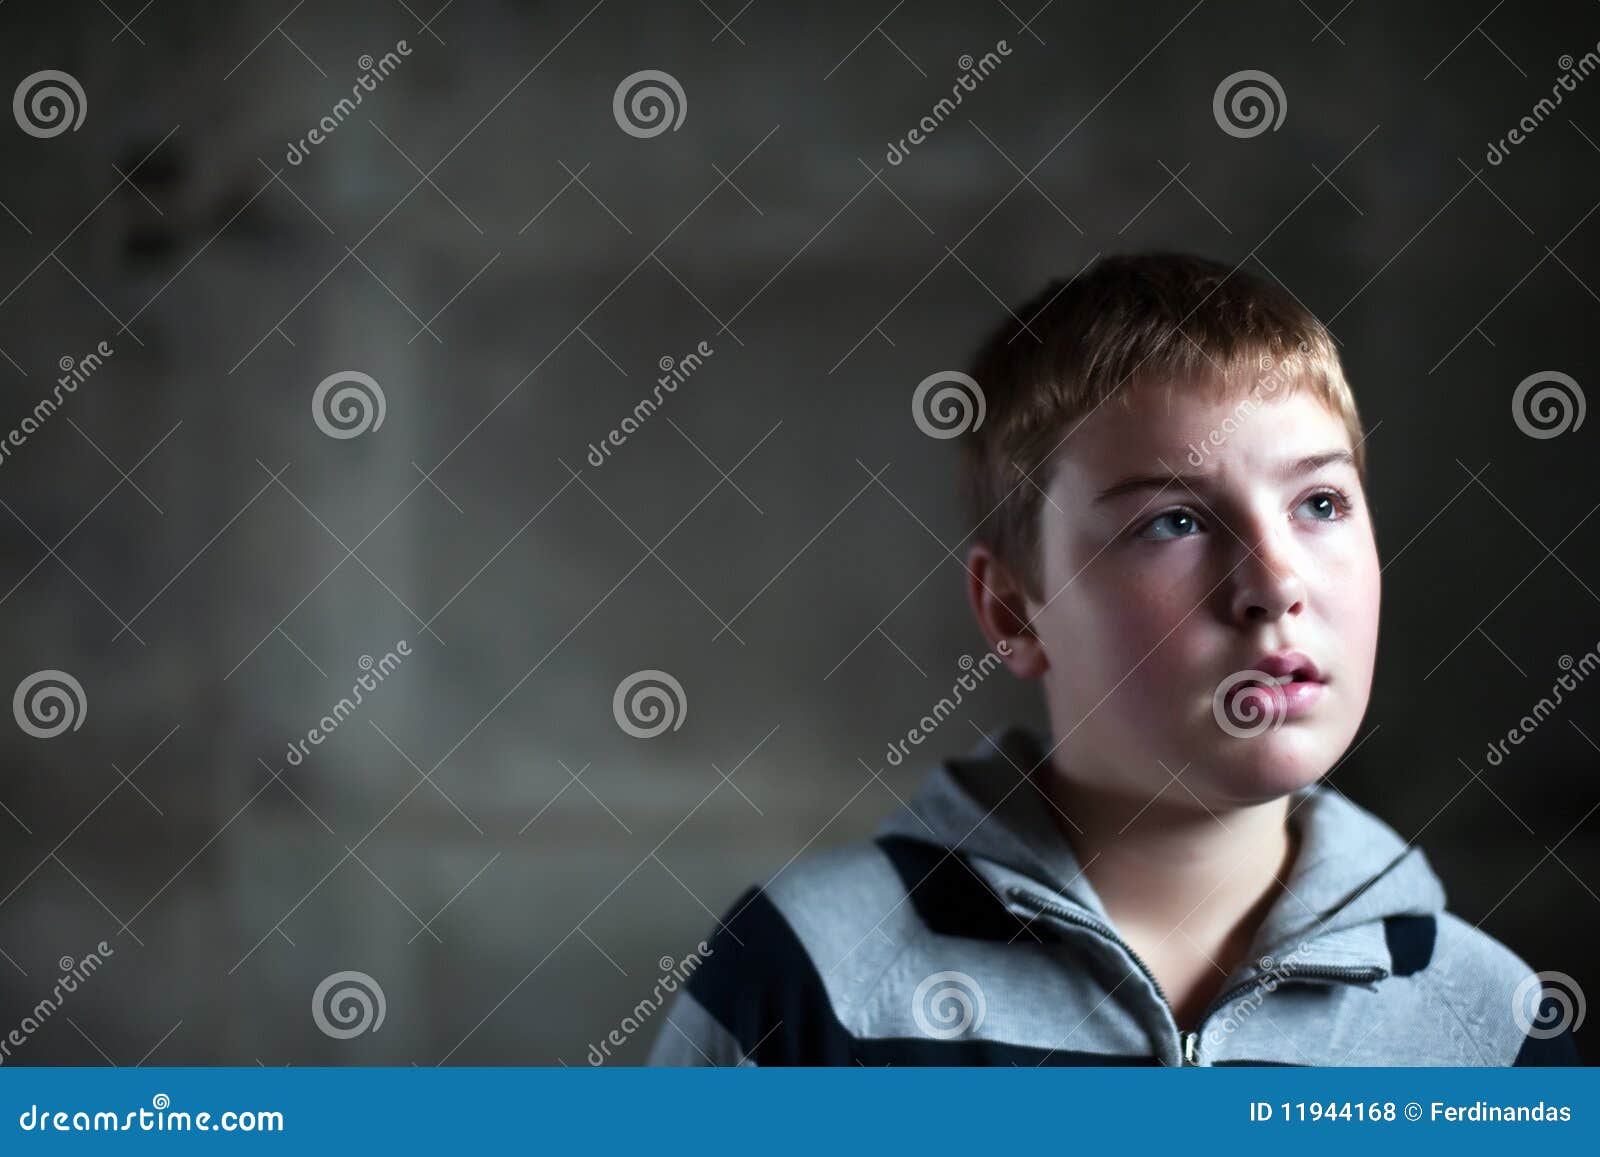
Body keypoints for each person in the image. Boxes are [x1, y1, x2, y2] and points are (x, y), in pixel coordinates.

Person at [646, 252, 1582, 1066]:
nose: (1274, 583)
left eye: (1321, 503)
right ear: (1013, 608)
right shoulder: (806, 976)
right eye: (1172, 522)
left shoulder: (1487, 1030)